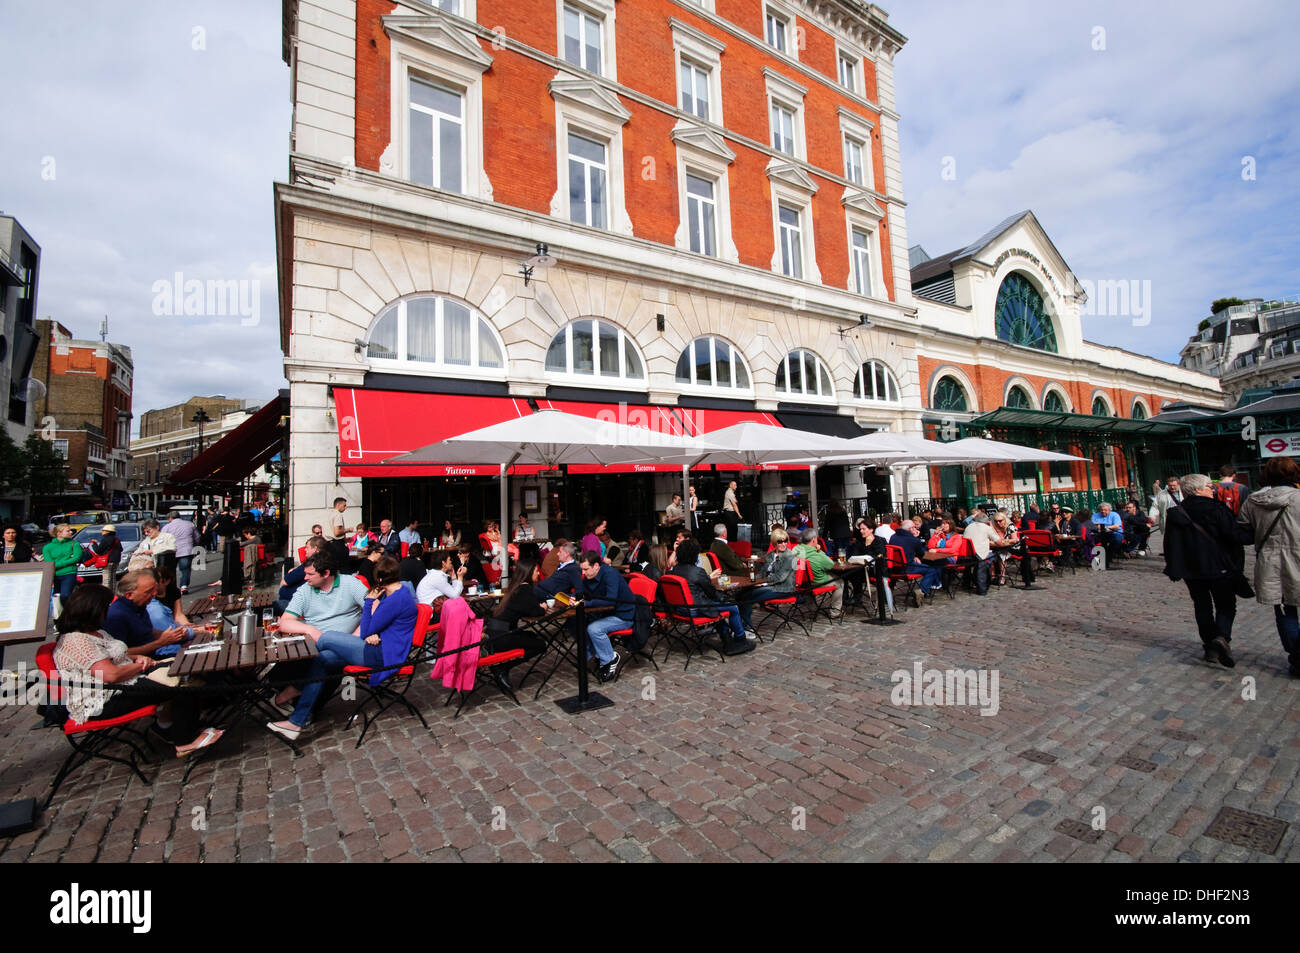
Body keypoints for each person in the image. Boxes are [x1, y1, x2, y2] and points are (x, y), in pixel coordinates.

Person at [53, 584, 223, 756]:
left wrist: (136, 658)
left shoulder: (95, 632)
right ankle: (183, 741)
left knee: (184, 666)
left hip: (125, 681)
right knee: (180, 685)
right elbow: (111, 675)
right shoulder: (76, 641)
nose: (107, 611)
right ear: (93, 609)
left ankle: (177, 724)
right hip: (106, 698)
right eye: (105, 607)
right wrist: (140, 665)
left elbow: (117, 654)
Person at [269, 555, 417, 740]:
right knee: (323, 660)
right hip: (377, 649)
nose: (305, 578)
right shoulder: (398, 594)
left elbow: (369, 627)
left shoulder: (396, 599)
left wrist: (370, 601)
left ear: (379, 579)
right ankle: (297, 722)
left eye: (309, 574)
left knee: (328, 637)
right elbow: (379, 622)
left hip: (383, 655)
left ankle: (294, 686)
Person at [1162, 473, 1249, 668]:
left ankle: (1210, 645)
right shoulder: (1216, 509)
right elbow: (1233, 535)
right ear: (1198, 490)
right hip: (1219, 566)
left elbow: (1171, 544)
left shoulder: (1178, 512)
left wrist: (1174, 567)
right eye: (1209, 486)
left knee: (1202, 606)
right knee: (1226, 604)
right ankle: (1221, 637)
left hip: (1192, 569)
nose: (1213, 489)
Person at [1237, 456, 1300, 676]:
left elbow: (1243, 532)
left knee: (1285, 611)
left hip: (1270, 562)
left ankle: (1297, 657)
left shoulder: (1254, 500)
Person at [665, 539, 753, 655]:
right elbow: (712, 593)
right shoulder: (697, 572)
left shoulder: (673, 571)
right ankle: (740, 639)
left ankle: (727, 640)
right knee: (733, 607)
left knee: (718, 610)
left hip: (679, 610)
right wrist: (726, 599)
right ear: (694, 555)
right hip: (695, 609)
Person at [484, 556, 548, 692]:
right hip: (502, 637)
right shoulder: (525, 589)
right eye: (536, 570)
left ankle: (502, 667)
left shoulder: (514, 587)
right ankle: (503, 667)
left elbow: (525, 607)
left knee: (531, 636)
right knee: (540, 645)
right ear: (529, 572)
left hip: (495, 633)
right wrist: (543, 608)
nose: (538, 573)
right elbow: (536, 612)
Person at [276, 551, 368, 643]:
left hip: (348, 643)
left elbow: (375, 608)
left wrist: (356, 636)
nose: (305, 578)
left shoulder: (350, 583)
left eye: (310, 574)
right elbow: (284, 622)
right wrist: (309, 629)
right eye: (305, 573)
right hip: (318, 644)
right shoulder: (304, 590)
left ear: (326, 573)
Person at [578, 550, 636, 681]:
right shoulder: (589, 576)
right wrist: (573, 598)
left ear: (596, 566)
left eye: (586, 569)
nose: (583, 573)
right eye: (582, 569)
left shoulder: (610, 575)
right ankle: (593, 654)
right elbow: (582, 593)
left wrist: (588, 603)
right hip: (604, 613)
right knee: (577, 622)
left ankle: (609, 659)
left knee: (594, 629)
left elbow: (611, 600)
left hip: (623, 615)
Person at [104, 570, 188, 658]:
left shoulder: (139, 605)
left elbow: (145, 632)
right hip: (137, 665)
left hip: (152, 657)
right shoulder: (116, 616)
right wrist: (161, 642)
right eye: (149, 591)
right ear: (129, 595)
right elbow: (121, 654)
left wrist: (172, 635)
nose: (155, 593)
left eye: (154, 589)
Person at [794, 528, 844, 617]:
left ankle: (812, 609)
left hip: (801, 582)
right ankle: (835, 612)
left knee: (811, 580)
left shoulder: (796, 549)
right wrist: (819, 550)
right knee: (840, 582)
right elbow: (830, 564)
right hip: (817, 582)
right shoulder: (816, 554)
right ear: (813, 540)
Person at [145, 566, 195, 654]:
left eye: (157, 581)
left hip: (175, 629)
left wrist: (188, 625)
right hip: (170, 644)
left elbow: (178, 615)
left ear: (166, 581)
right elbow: (170, 633)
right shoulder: (154, 606)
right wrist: (191, 630)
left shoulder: (173, 591)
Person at [891, 519, 944, 599]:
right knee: (931, 570)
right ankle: (922, 592)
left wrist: (914, 555)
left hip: (893, 568)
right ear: (911, 529)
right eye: (914, 528)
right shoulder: (913, 540)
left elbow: (906, 549)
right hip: (906, 568)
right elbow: (921, 554)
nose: (916, 529)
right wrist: (916, 538)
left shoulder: (893, 537)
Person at [277, 535, 325, 615]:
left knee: (269, 608)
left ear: (315, 549)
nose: (305, 550)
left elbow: (284, 581)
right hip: (302, 604)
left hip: (294, 604)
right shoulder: (322, 562)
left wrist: (292, 572)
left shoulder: (310, 565)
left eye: (307, 547)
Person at [43, 522, 83, 609]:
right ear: (59, 533)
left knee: (65, 595)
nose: (71, 532)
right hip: (55, 575)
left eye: (70, 530)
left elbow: (77, 558)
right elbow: (49, 563)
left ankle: (70, 614)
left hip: (69, 573)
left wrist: (58, 563)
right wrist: (67, 560)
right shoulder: (47, 547)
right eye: (68, 531)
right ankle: (59, 618)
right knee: (56, 598)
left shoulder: (74, 544)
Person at [162, 510, 201, 593]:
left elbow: (162, 540)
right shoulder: (190, 524)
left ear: (170, 518)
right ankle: (184, 586)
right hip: (186, 550)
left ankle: (172, 587)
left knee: (171, 570)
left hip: (172, 551)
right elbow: (197, 537)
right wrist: (194, 544)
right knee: (185, 569)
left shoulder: (166, 527)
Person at [962, 512, 1000, 595]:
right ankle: (982, 588)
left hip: (967, 554)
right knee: (993, 556)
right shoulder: (986, 528)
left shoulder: (969, 526)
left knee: (977, 563)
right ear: (986, 521)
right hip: (979, 555)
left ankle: (966, 584)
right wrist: (991, 526)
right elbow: (999, 541)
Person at [1090, 502, 1124, 567]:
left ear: (1109, 510)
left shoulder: (1114, 515)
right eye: (1101, 510)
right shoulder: (1095, 515)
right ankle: (1100, 558)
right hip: (1100, 533)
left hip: (1114, 533)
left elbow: (1116, 526)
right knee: (1092, 540)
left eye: (1105, 510)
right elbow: (1092, 525)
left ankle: (1108, 556)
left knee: (1117, 539)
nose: (1103, 511)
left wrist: (1106, 527)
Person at [240, 525, 261, 590]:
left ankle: (247, 576)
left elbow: (242, 544)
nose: (245, 537)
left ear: (249, 534)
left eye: (245, 535)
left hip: (254, 557)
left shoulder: (254, 539)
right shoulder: (257, 538)